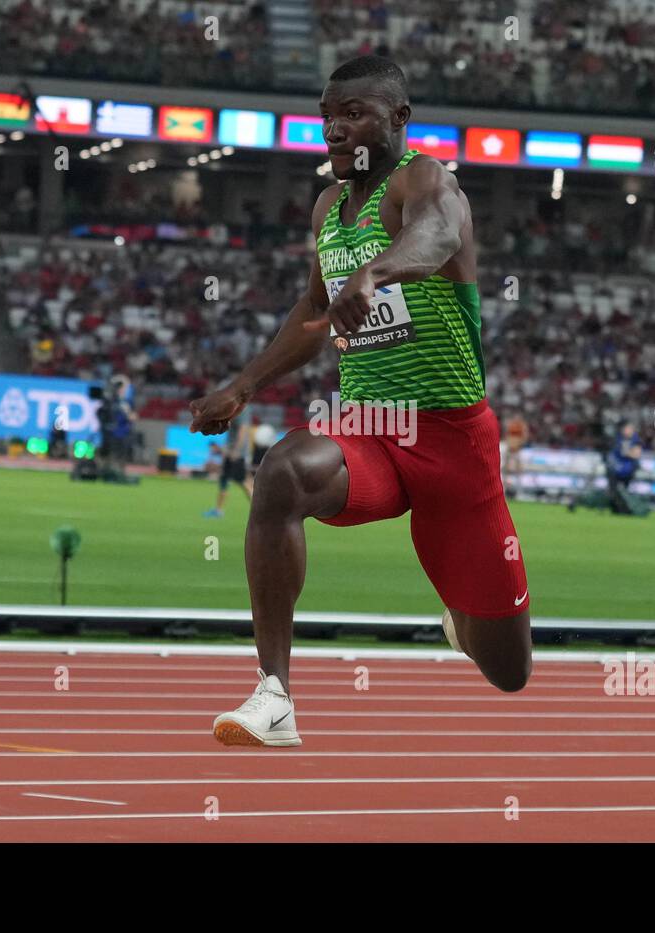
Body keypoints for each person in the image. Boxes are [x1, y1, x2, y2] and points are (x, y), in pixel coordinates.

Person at [190, 56, 531, 747]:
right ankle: (275, 693)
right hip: (371, 431)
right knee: (282, 473)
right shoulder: (328, 209)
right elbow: (315, 311)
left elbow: (435, 236)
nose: (336, 131)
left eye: (353, 114)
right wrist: (244, 384)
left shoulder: (424, 182)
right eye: (327, 118)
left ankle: (461, 618)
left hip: (453, 449)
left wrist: (374, 272)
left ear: (399, 118)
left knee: (507, 670)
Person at [204, 408, 254, 517]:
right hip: (230, 453)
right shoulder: (234, 411)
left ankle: (258, 511)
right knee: (224, 480)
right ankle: (218, 510)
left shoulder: (242, 411)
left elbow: (243, 430)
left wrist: (236, 451)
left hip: (236, 454)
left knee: (244, 482)